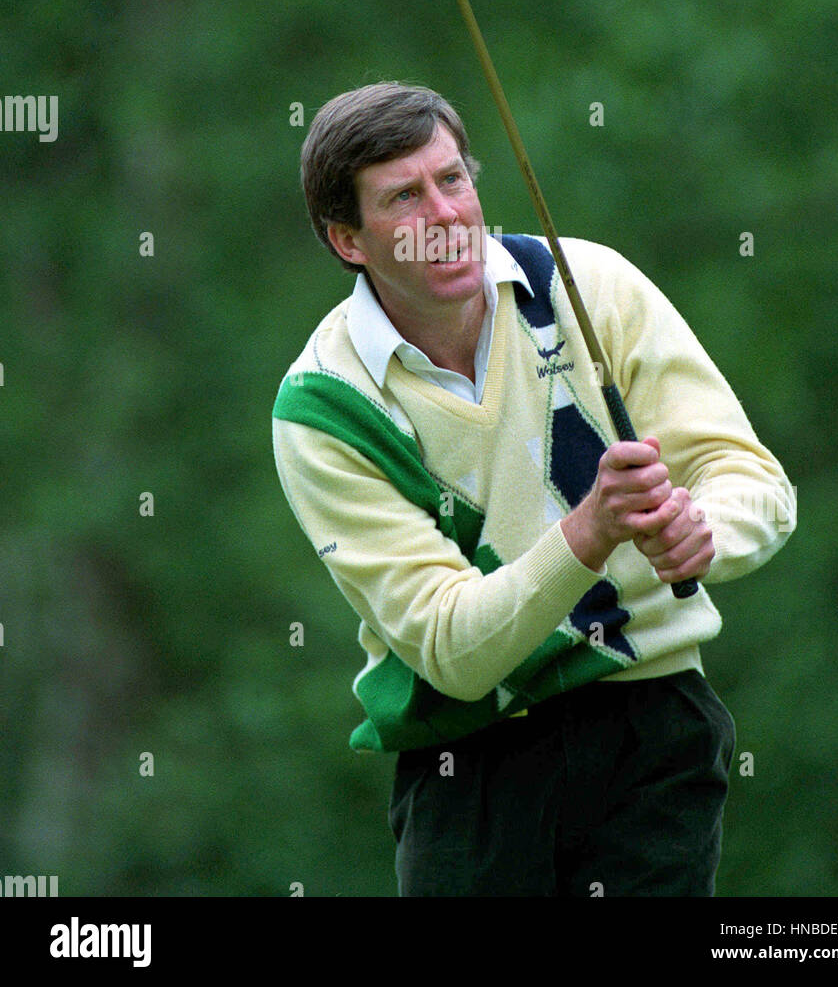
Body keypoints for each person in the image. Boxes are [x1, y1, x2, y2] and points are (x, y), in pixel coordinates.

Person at [272, 80, 796, 897]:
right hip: (467, 762)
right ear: (348, 240)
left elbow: (752, 479)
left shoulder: (591, 285)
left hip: (653, 721)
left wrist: (709, 529)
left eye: (454, 179)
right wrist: (591, 531)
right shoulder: (322, 408)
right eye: (405, 197)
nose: (446, 215)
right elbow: (452, 652)